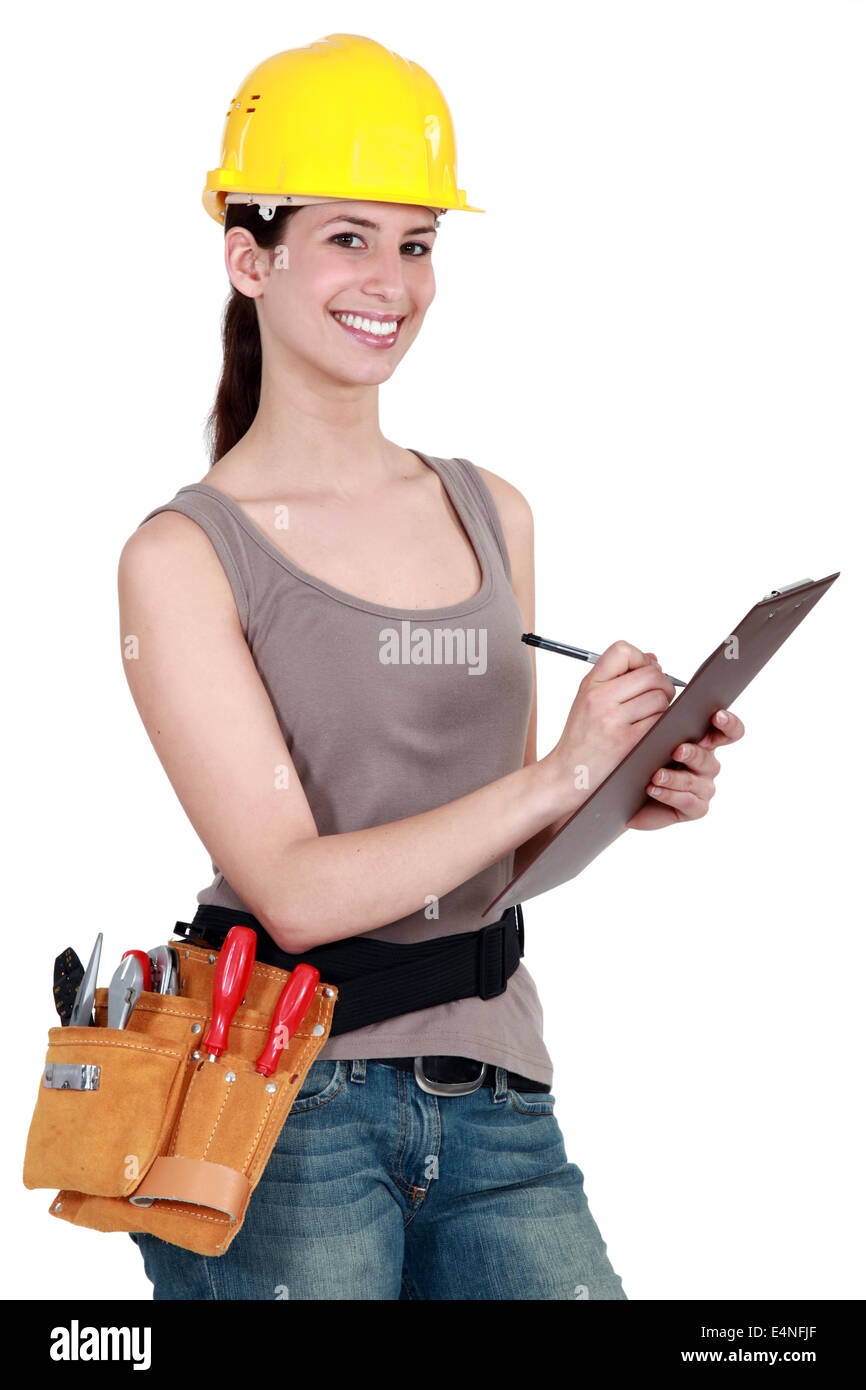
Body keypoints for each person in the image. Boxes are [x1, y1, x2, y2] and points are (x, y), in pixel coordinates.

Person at [117, 33, 744, 1300]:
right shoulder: (186, 556)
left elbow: (476, 858)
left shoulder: (489, 509)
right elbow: (290, 891)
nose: (389, 281)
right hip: (284, 1109)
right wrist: (551, 771)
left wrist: (614, 788)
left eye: (416, 243)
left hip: (498, 1092)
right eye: (346, 236)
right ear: (250, 257)